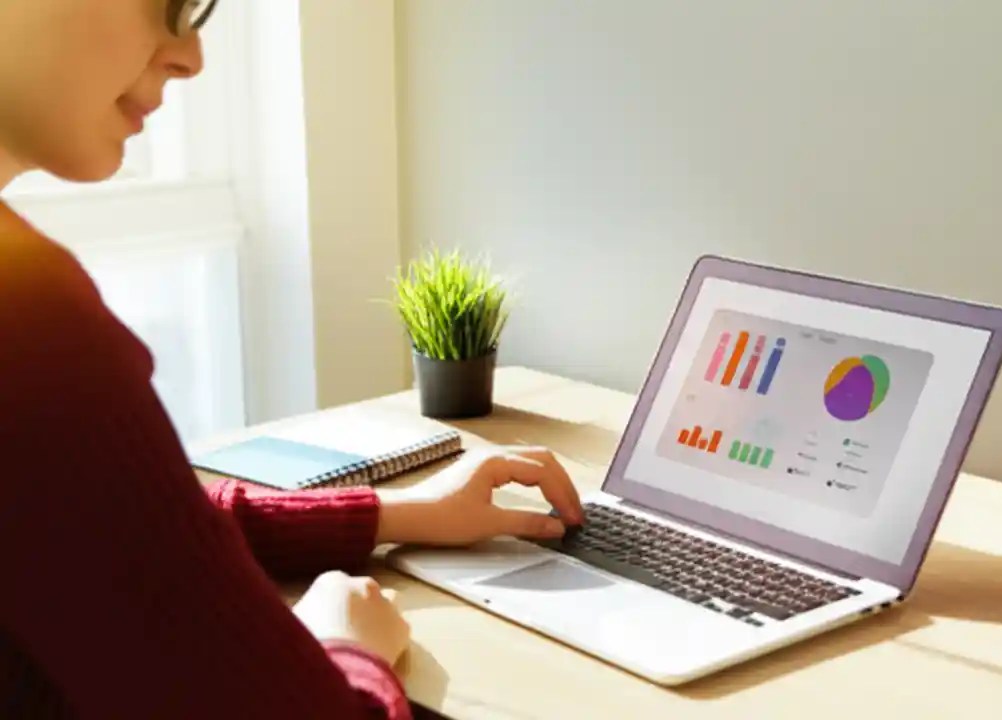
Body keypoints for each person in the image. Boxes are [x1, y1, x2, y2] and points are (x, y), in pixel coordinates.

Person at [0, 1, 584, 717]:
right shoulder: (29, 324)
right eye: (168, 7)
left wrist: (397, 514)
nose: (189, 58)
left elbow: (126, 531)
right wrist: (349, 652)